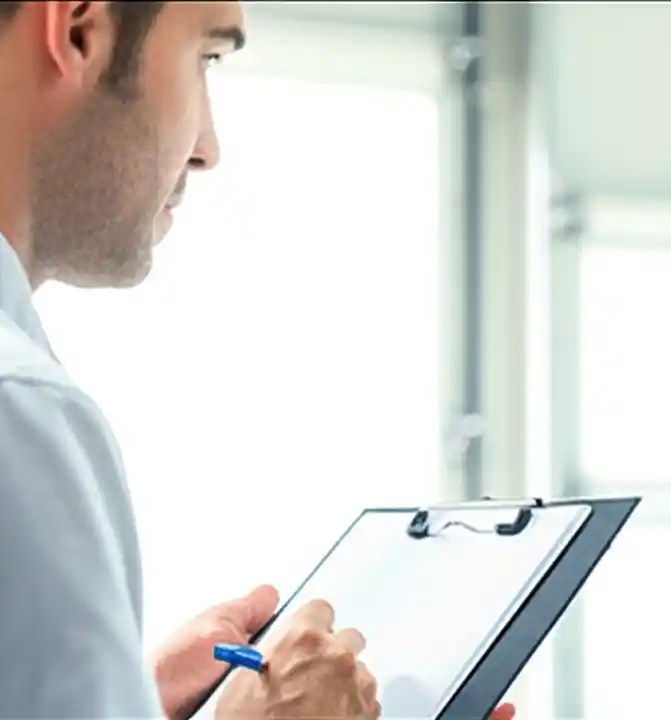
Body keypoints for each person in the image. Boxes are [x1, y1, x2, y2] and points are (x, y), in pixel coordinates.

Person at [0, 3, 517, 719]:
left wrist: (126, 700)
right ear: (80, 30)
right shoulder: (20, 414)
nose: (207, 147)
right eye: (205, 57)